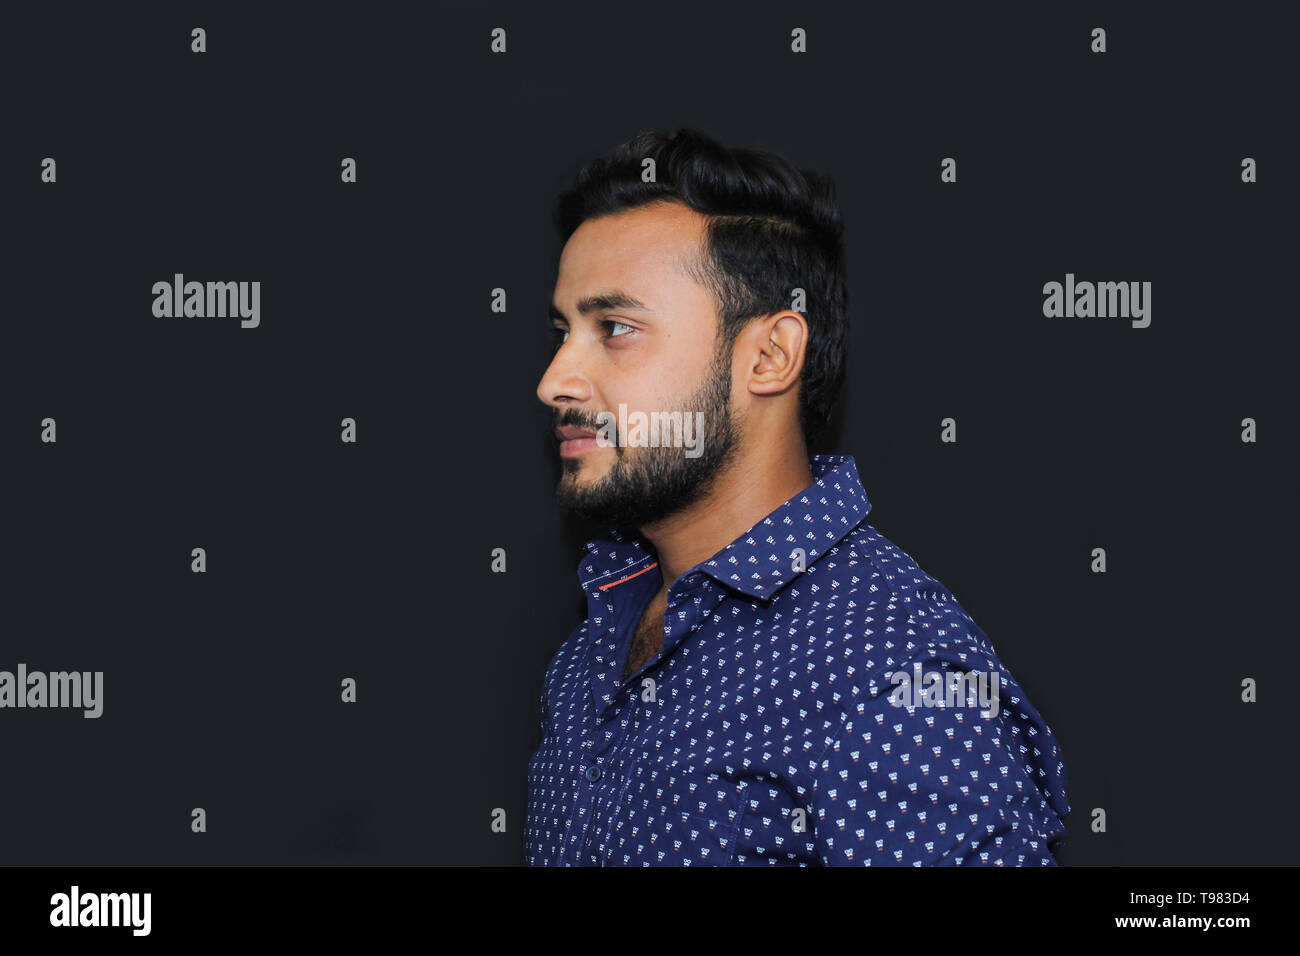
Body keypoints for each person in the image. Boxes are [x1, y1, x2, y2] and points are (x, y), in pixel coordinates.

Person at [526, 127, 1069, 866]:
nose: (555, 379)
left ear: (770, 355)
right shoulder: (597, 638)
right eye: (563, 331)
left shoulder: (892, 677)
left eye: (614, 328)